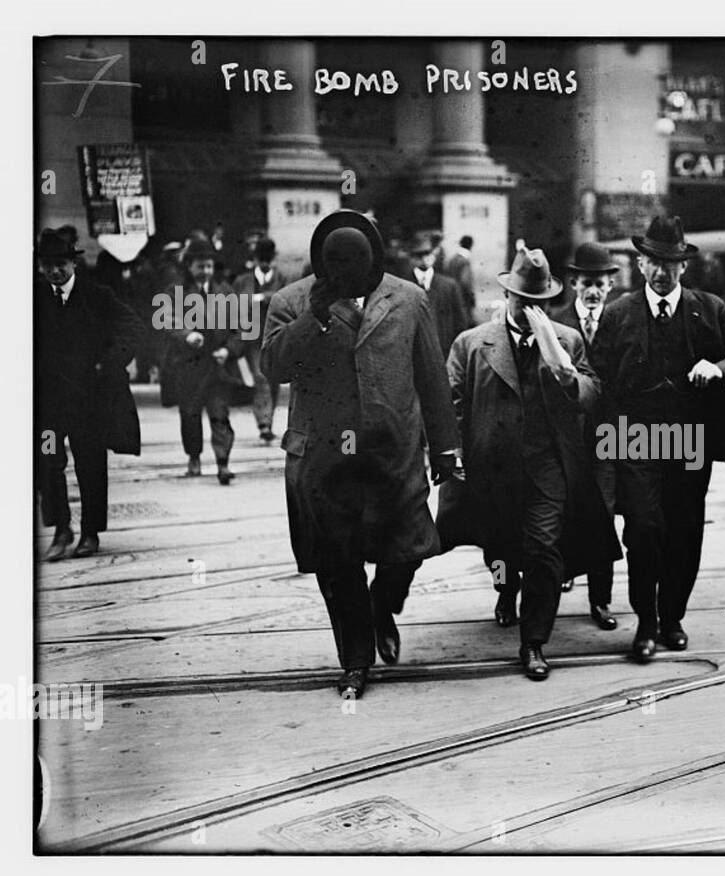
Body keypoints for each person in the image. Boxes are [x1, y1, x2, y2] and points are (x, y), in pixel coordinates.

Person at [262, 210, 459, 699]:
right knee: (338, 562)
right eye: (338, 261)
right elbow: (273, 366)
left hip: (394, 453)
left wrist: (448, 447)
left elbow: (432, 379)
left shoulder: (409, 298)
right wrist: (315, 317)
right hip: (324, 461)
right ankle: (355, 661)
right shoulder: (292, 300)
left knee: (410, 549)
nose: (347, 269)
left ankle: (382, 606)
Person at [591, 215, 725, 660]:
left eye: (671, 263)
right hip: (636, 440)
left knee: (684, 531)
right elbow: (597, 379)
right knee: (645, 528)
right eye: (653, 262)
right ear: (641, 263)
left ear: (684, 266)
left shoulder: (708, 309)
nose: (662, 271)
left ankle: (672, 618)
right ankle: (645, 623)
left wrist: (719, 369)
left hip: (690, 440)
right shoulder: (617, 315)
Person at [442, 242, 617, 681]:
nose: (530, 310)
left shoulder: (567, 340)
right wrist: (455, 452)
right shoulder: (471, 342)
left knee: (544, 549)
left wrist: (559, 362)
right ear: (507, 297)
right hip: (493, 466)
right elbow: (452, 403)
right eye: (523, 301)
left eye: (539, 303)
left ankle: (534, 642)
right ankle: (505, 592)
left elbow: (592, 396)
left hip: (547, 466)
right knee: (499, 545)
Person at [35, 229, 141, 560]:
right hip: (49, 406)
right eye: (48, 265)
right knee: (47, 463)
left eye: (61, 265)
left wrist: (108, 364)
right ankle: (61, 528)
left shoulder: (97, 296)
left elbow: (133, 329)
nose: (54, 272)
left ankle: (90, 533)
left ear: (74, 264)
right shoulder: (34, 297)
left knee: (90, 465)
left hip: (88, 402)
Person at [550, 242, 622, 630]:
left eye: (601, 283)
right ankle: (558, 576)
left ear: (611, 285)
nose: (593, 290)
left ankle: (601, 600)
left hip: (608, 439)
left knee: (604, 515)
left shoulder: (619, 321)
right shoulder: (556, 323)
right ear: (573, 283)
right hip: (565, 439)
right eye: (586, 283)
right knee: (558, 512)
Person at [159, 239, 242, 484]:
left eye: (208, 266)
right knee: (190, 413)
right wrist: (187, 335)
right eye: (199, 266)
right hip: (188, 365)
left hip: (218, 366)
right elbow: (166, 320)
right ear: (189, 266)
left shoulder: (225, 291)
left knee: (220, 413)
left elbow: (241, 328)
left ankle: (223, 463)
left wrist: (228, 350)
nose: (205, 271)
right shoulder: (175, 292)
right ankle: (193, 457)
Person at [231, 238, 290, 442]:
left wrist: (263, 298)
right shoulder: (243, 281)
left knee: (272, 380)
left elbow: (285, 299)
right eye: (261, 259)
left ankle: (268, 421)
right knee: (260, 377)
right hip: (252, 337)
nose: (264, 264)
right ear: (255, 259)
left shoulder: (282, 278)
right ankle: (263, 423)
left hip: (275, 337)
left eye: (268, 259)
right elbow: (235, 302)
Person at [404, 234, 469, 359]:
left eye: (428, 254)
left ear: (434, 255)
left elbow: (460, 322)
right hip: (413, 356)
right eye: (419, 255)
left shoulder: (449, 286)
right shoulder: (403, 285)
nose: (424, 259)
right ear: (411, 258)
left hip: (443, 353)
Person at [443, 235, 476, 319]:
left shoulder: (452, 259)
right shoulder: (464, 261)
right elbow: (465, 282)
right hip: (463, 298)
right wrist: (471, 296)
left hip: (452, 296)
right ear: (471, 245)